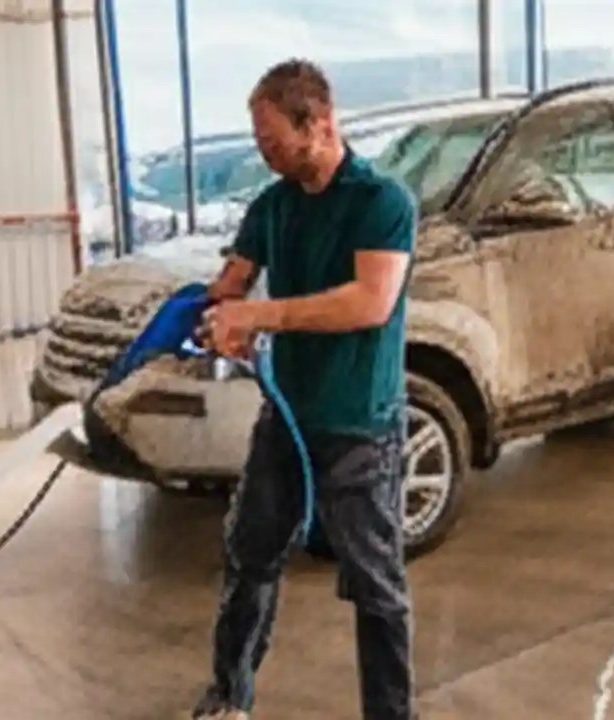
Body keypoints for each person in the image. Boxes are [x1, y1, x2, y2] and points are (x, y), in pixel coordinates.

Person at [191, 58, 418, 720]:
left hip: (360, 427)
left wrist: (260, 316)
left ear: (316, 123)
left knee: (376, 588)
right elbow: (232, 280)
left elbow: (369, 303)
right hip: (286, 421)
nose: (262, 153)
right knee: (250, 557)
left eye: (270, 140)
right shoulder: (273, 206)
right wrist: (214, 317)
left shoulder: (382, 202)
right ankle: (229, 695)